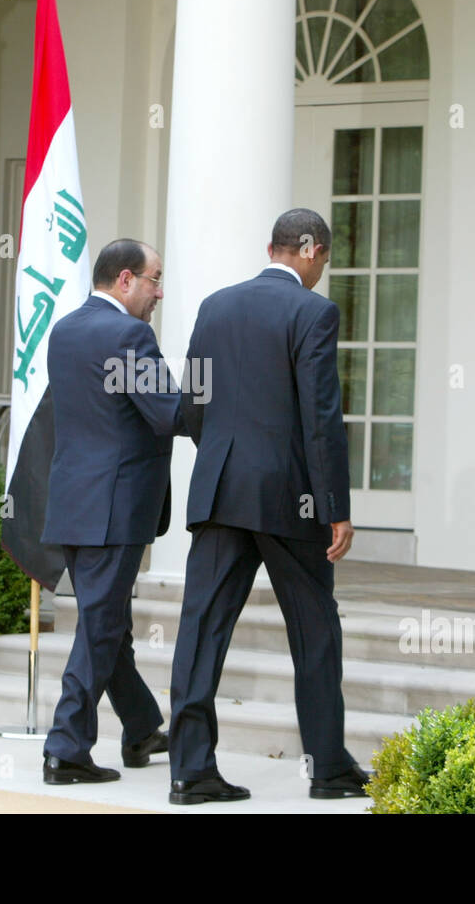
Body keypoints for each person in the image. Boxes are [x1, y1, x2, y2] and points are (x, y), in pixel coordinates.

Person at [167, 208, 369, 804]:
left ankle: (190, 772)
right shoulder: (313, 312)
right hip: (291, 499)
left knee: (200, 630)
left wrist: (226, 461)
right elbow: (321, 417)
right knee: (314, 631)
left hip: (219, 490)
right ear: (308, 249)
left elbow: (194, 404)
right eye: (324, 260)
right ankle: (327, 767)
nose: (321, 272)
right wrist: (336, 505)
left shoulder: (214, 305)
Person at [41, 238, 184, 784]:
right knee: (100, 627)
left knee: (109, 622)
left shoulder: (66, 330)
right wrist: (228, 398)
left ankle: (142, 726)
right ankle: (66, 748)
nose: (159, 293)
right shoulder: (129, 334)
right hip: (115, 508)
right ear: (125, 280)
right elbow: (168, 411)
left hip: (75, 504)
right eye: (154, 280)